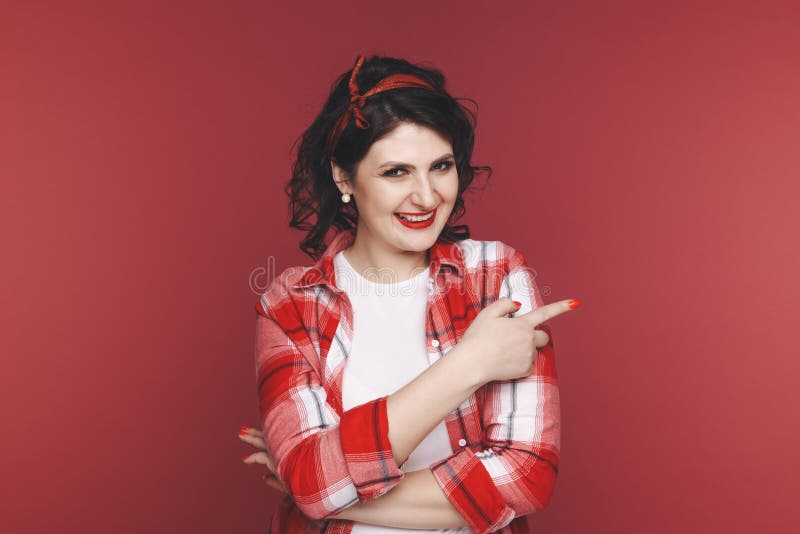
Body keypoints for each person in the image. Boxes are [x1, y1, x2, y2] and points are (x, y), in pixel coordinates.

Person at [238, 53, 581, 533]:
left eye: (440, 166)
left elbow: (526, 478)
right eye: (396, 172)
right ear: (344, 177)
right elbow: (309, 479)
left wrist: (324, 495)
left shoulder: (495, 275)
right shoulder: (292, 303)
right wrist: (467, 366)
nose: (426, 196)